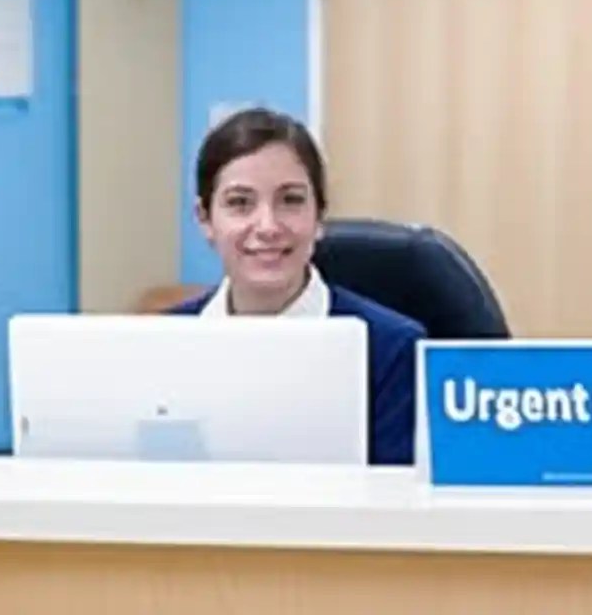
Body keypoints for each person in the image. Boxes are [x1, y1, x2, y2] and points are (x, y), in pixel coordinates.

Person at [166, 107, 425, 466]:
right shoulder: (165, 342)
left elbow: (396, 509)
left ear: (319, 216)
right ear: (205, 220)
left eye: (291, 200)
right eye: (240, 203)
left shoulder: (390, 349)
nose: (268, 226)